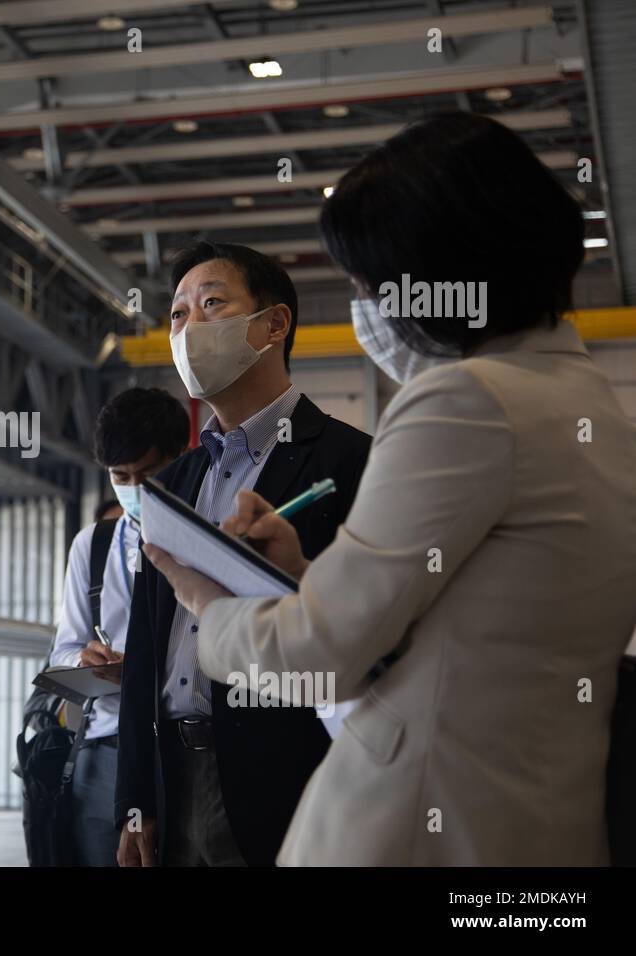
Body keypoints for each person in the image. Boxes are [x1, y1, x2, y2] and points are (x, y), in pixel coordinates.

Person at [145, 112, 636, 865]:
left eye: (373, 280)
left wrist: (204, 600)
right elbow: (471, 623)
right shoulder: (592, 406)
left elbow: (320, 651)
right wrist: (308, 578)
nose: (369, 305)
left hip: (414, 819)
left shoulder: (465, 400)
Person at [115, 242, 372, 867]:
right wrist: (135, 799)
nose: (189, 327)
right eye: (177, 315)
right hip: (173, 777)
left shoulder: (350, 461)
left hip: (293, 773)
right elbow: (146, 649)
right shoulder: (171, 485)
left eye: (211, 303)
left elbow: (362, 628)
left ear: (273, 325)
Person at [48, 388, 189, 866]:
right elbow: (62, 650)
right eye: (120, 477)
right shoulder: (92, 546)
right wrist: (84, 660)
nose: (134, 488)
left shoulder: (208, 535)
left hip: (184, 749)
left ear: (179, 459)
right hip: (105, 746)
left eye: (148, 474)